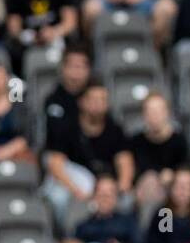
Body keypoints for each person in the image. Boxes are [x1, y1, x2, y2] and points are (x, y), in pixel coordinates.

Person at [42, 79, 133, 221]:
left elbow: (125, 161)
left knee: (127, 199)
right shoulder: (67, 128)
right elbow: (55, 163)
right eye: (93, 99)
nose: (97, 104)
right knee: (58, 197)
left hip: (105, 185)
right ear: (82, 102)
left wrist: (121, 185)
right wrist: (75, 190)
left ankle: (119, 234)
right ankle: (64, 237)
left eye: (102, 100)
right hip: (74, 184)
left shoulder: (115, 130)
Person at [74, 174, 145, 243]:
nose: (105, 198)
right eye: (101, 193)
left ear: (116, 197)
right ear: (94, 196)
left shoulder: (128, 221)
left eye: (110, 194)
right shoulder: (83, 226)